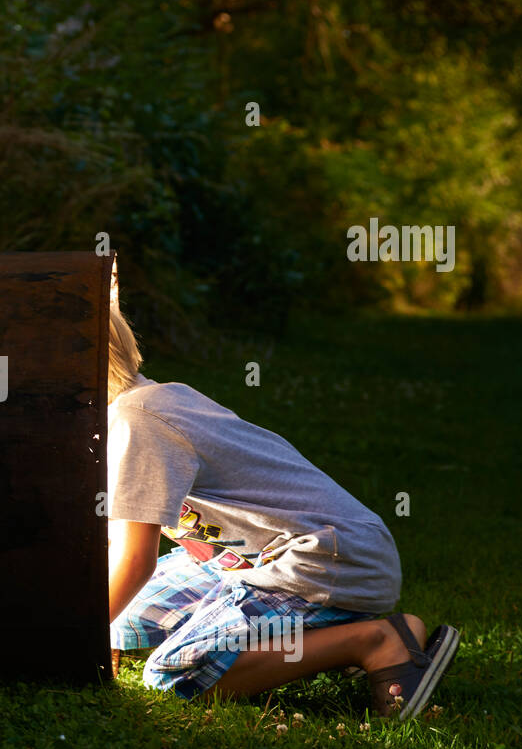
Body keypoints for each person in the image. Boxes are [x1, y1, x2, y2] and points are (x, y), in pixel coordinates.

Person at [105, 288, 458, 719]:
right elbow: (114, 545)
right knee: (124, 622)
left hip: (322, 559)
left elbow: (134, 560)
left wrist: (67, 640)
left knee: (176, 675)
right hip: (250, 561)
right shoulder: (130, 408)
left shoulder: (138, 419)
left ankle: (372, 640)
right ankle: (367, 634)